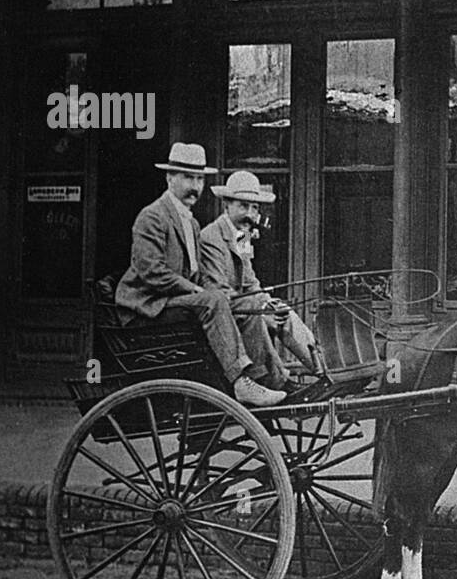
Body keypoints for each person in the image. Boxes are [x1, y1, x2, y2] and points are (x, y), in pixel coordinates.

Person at [115, 143, 287, 407]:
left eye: (199, 178)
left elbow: (199, 274)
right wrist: (200, 291)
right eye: (187, 177)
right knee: (214, 300)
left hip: (176, 301)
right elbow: (151, 272)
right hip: (148, 305)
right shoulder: (152, 216)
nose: (194, 186)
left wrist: (221, 292)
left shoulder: (193, 223)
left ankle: (261, 379)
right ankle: (240, 381)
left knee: (250, 303)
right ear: (169, 178)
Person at [200, 171, 323, 382]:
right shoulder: (211, 237)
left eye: (255, 207)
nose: (250, 213)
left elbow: (250, 281)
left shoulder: (243, 234)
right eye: (243, 206)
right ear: (226, 205)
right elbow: (218, 290)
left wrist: (267, 304)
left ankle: (322, 370)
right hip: (225, 316)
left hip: (243, 307)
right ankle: (278, 380)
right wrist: (260, 310)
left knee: (282, 312)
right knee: (260, 315)